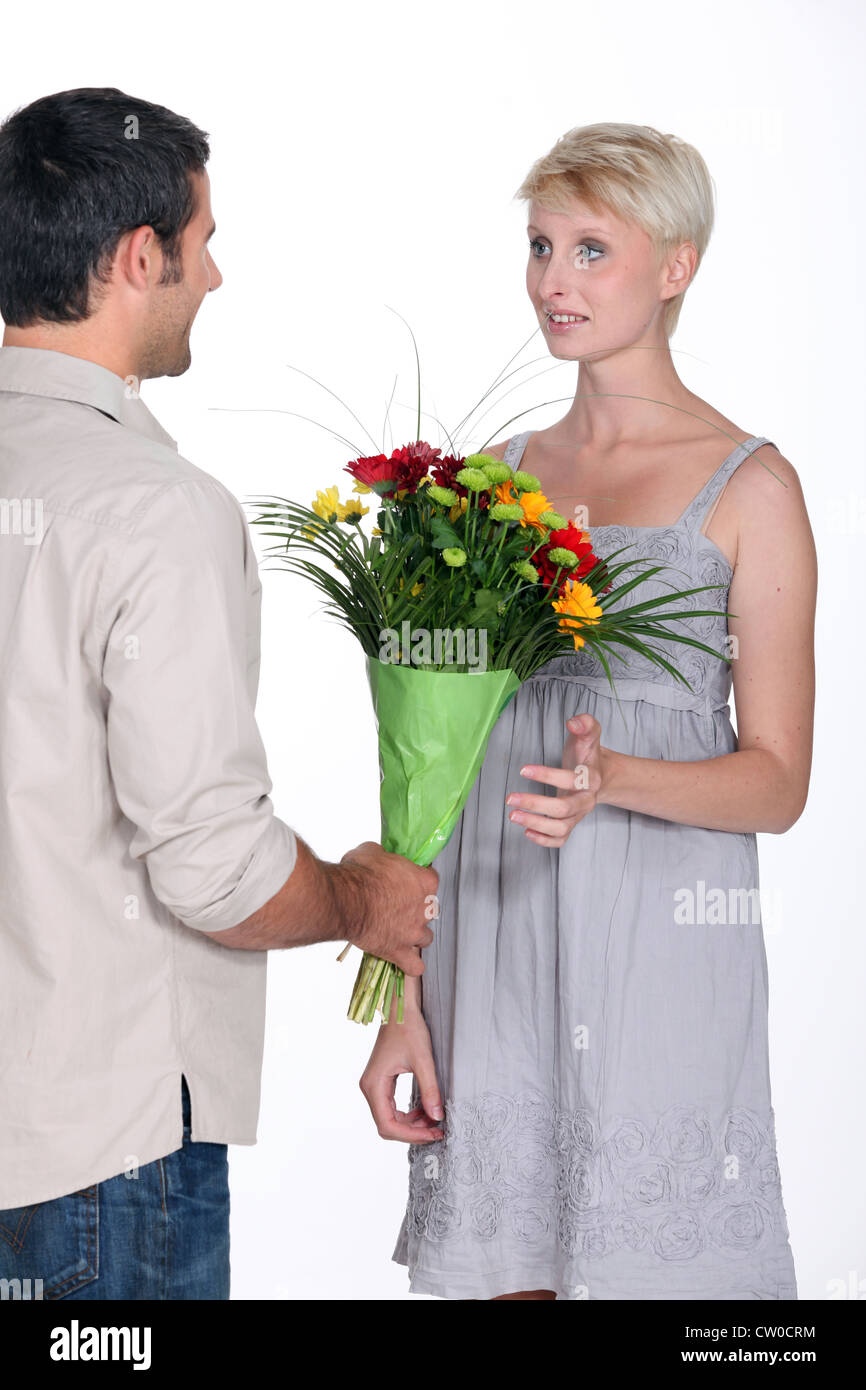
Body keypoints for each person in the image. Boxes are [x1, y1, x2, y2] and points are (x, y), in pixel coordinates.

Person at [361, 122, 816, 1301]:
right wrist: (399, 997)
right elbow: (427, 762)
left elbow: (777, 779)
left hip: (659, 941)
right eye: (539, 246)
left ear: (676, 266)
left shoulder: (749, 485)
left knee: (648, 1276)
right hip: (491, 932)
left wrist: (617, 778)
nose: (553, 281)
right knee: (503, 1274)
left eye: (589, 250)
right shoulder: (485, 484)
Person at [0, 87, 439, 1301]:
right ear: (139, 257)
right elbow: (209, 864)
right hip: (98, 1158)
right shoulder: (149, 507)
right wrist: (360, 899)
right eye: (201, 242)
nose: (217, 275)